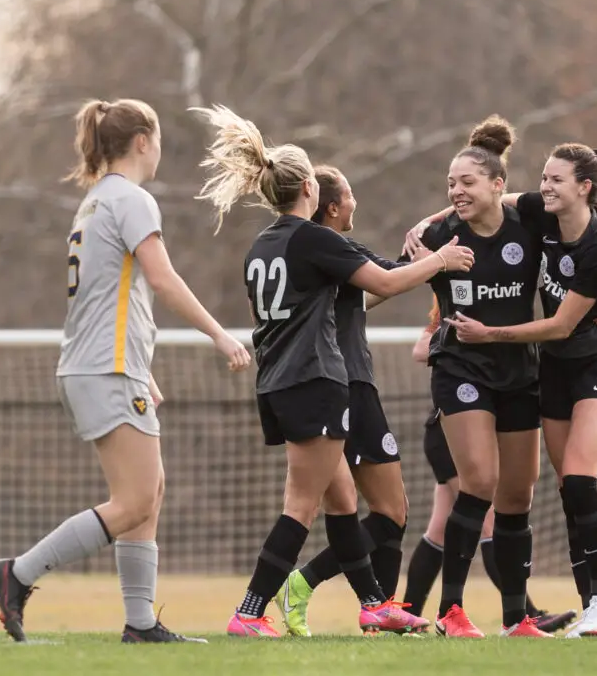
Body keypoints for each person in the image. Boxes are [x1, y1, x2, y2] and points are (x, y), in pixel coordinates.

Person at [189, 105, 473, 638]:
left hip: (278, 382)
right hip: (313, 380)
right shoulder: (314, 239)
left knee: (343, 502)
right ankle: (248, 612)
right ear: (311, 193)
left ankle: (372, 604)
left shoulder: (262, 245)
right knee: (300, 506)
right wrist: (439, 261)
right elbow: (383, 286)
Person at [0, 98, 251, 644]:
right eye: (159, 140)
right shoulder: (131, 199)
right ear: (143, 142)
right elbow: (162, 279)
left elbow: (114, 296)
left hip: (106, 365)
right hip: (102, 369)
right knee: (133, 501)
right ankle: (19, 574)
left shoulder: (96, 202)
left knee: (148, 493)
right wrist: (219, 333)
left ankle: (141, 623)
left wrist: (141, 367)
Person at [440, 143, 597, 638]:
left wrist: (490, 335)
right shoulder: (538, 214)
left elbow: (561, 327)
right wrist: (425, 225)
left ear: (585, 188)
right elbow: (484, 198)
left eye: (556, 180)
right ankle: (573, 609)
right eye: (543, 178)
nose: (544, 186)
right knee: (568, 487)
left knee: (579, 478)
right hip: (553, 370)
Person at [402, 116, 555, 639]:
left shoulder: (530, 224)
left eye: (466, 181)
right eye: (450, 183)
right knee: (480, 484)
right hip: (461, 369)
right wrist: (423, 258)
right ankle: (451, 612)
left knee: (518, 496)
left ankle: (517, 617)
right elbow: (383, 282)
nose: (455, 190)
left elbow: (580, 238)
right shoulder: (438, 236)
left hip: (519, 369)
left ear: (497, 184)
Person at [273, 165, 428, 636]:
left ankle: (377, 614)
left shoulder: (321, 252)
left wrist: (420, 253)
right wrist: (441, 257)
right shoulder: (327, 247)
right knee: (388, 512)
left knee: (383, 511)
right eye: (351, 195)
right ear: (334, 205)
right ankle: (304, 584)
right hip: (347, 385)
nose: (356, 201)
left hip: (343, 384)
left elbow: (374, 288)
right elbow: (387, 280)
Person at [401, 297, 578, 634]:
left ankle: (407, 618)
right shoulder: (454, 306)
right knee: (486, 521)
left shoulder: (513, 307)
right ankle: (525, 612)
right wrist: (462, 346)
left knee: (439, 530)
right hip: (446, 432)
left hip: (465, 431)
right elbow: (421, 348)